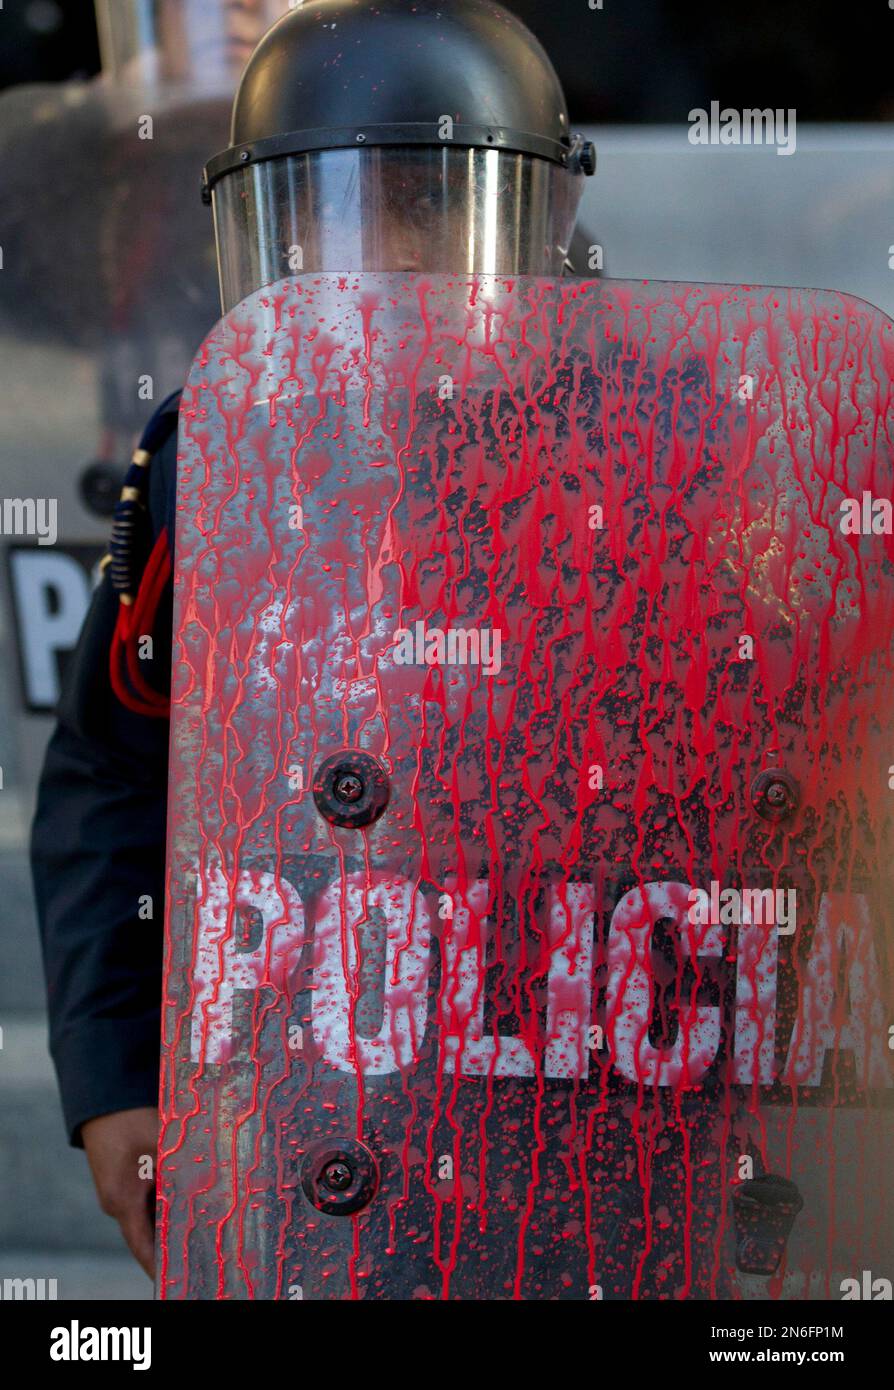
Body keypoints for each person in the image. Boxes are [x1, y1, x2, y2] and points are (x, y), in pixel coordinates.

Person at [31, 0, 594, 1282]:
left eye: (431, 205)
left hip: (594, 1094)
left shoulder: (680, 450)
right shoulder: (215, 461)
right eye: (331, 212)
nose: (381, 259)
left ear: (544, 222)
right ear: (257, 232)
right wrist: (116, 1072)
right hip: (310, 1109)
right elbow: (115, 770)